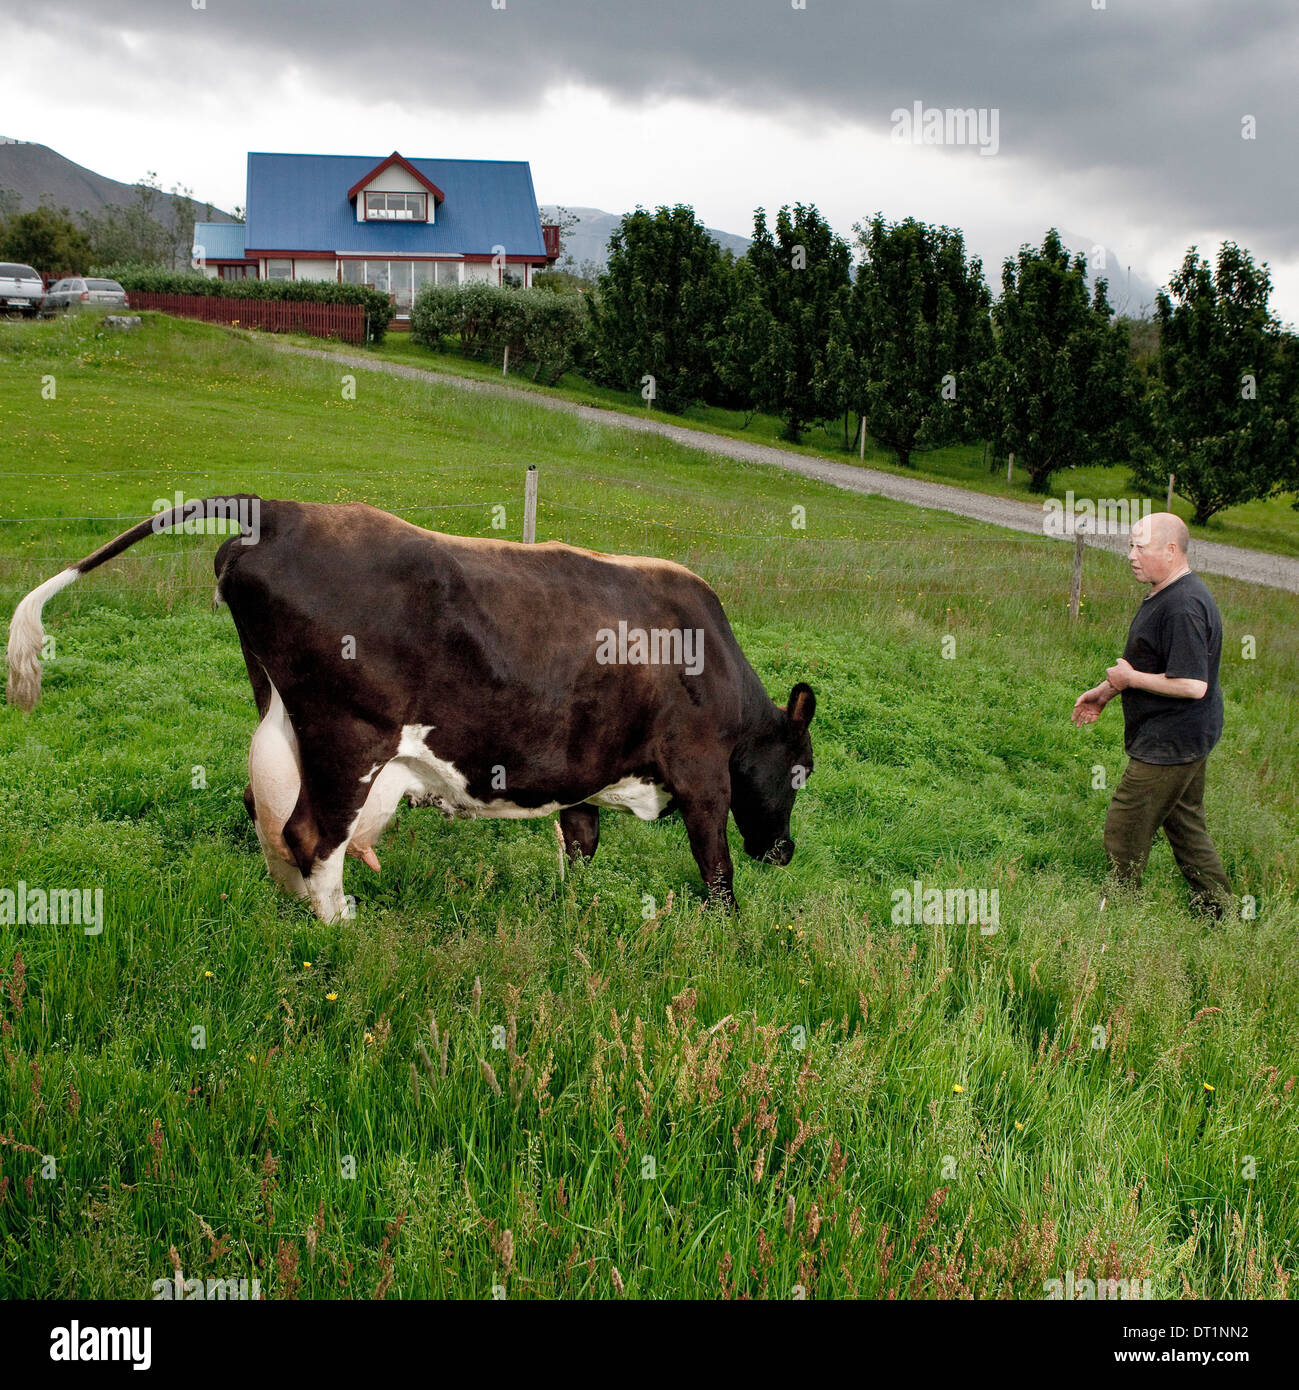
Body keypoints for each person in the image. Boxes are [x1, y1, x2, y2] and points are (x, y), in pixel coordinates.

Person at [1071, 512, 1232, 917]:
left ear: (1171, 550)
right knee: (1186, 827)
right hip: (1185, 737)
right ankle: (1221, 916)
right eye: (1130, 545)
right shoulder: (1169, 592)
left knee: (1124, 830)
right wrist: (1107, 691)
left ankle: (1121, 917)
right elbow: (1149, 662)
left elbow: (1193, 685)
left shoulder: (1183, 606)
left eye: (1140, 546)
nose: (1131, 555)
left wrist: (1131, 678)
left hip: (1171, 742)